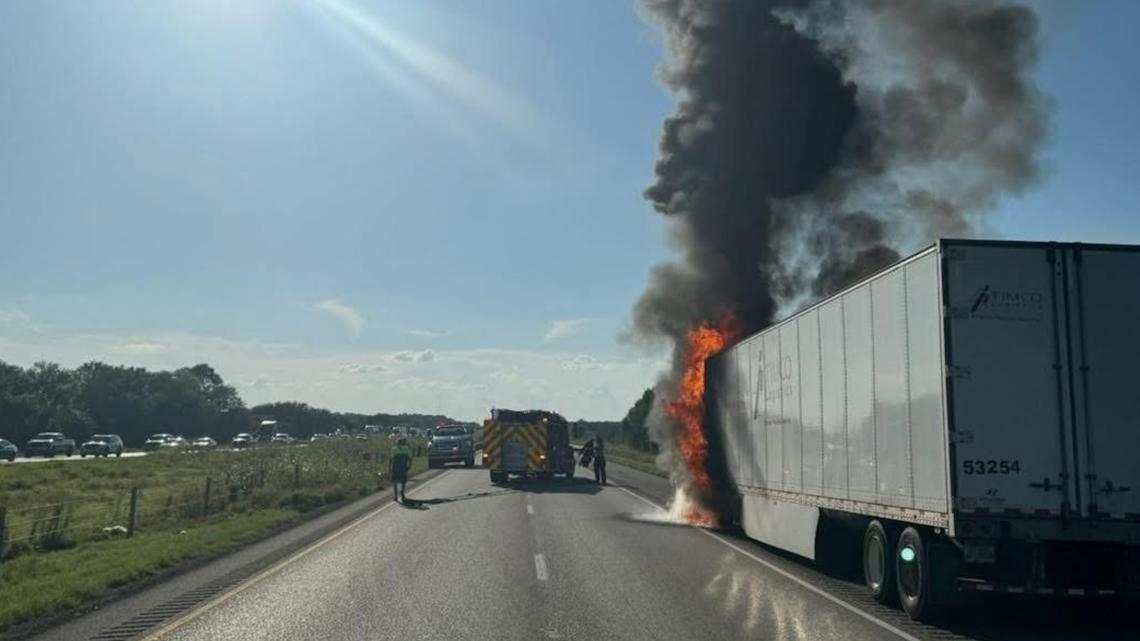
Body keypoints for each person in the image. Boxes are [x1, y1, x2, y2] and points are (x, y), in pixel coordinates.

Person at [390, 437, 413, 502]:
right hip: (403, 467)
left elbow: (391, 459)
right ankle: (402, 493)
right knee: (403, 481)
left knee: (395, 482)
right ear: (403, 442)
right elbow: (410, 458)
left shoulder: (394, 449)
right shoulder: (406, 448)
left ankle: (395, 495)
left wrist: (389, 468)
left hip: (396, 467)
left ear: (397, 443)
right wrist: (409, 466)